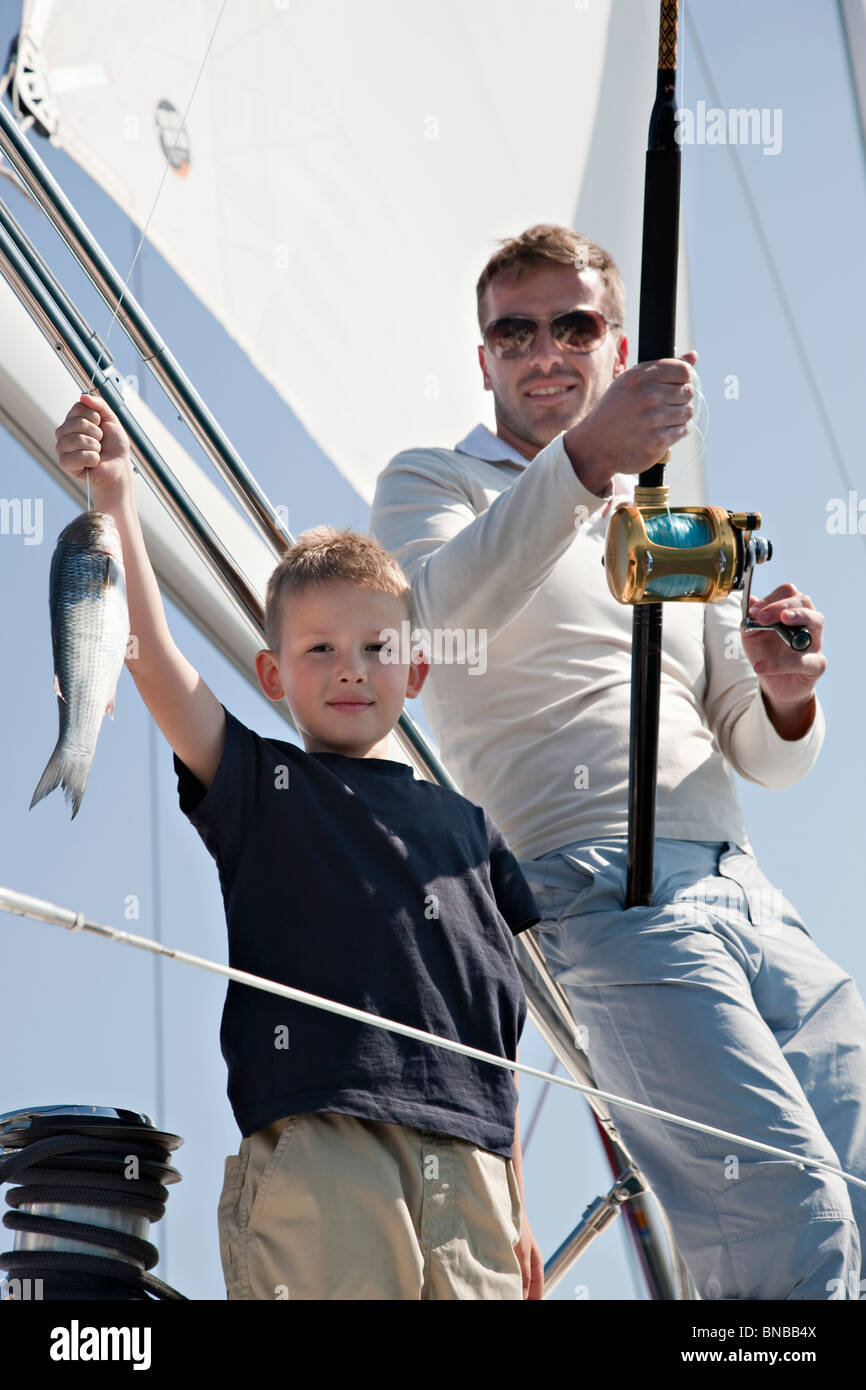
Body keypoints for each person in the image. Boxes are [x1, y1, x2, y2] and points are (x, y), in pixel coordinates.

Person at [369, 223, 866, 1301]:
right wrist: (586, 460)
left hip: (747, 897)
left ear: (616, 341)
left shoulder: (674, 520)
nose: (542, 349)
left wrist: (784, 689)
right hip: (597, 896)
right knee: (786, 1219)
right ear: (484, 356)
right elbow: (427, 621)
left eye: (572, 324)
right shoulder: (434, 481)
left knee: (859, 1199)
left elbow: (759, 749)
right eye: (513, 331)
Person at [53, 391, 546, 1301]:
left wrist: (519, 1199)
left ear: (416, 668)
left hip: (474, 1170)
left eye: (374, 645)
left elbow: (496, 1023)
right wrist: (116, 496)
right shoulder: (261, 789)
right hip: (327, 1143)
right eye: (319, 648)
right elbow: (154, 659)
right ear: (273, 676)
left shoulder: (470, 830)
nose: (351, 666)